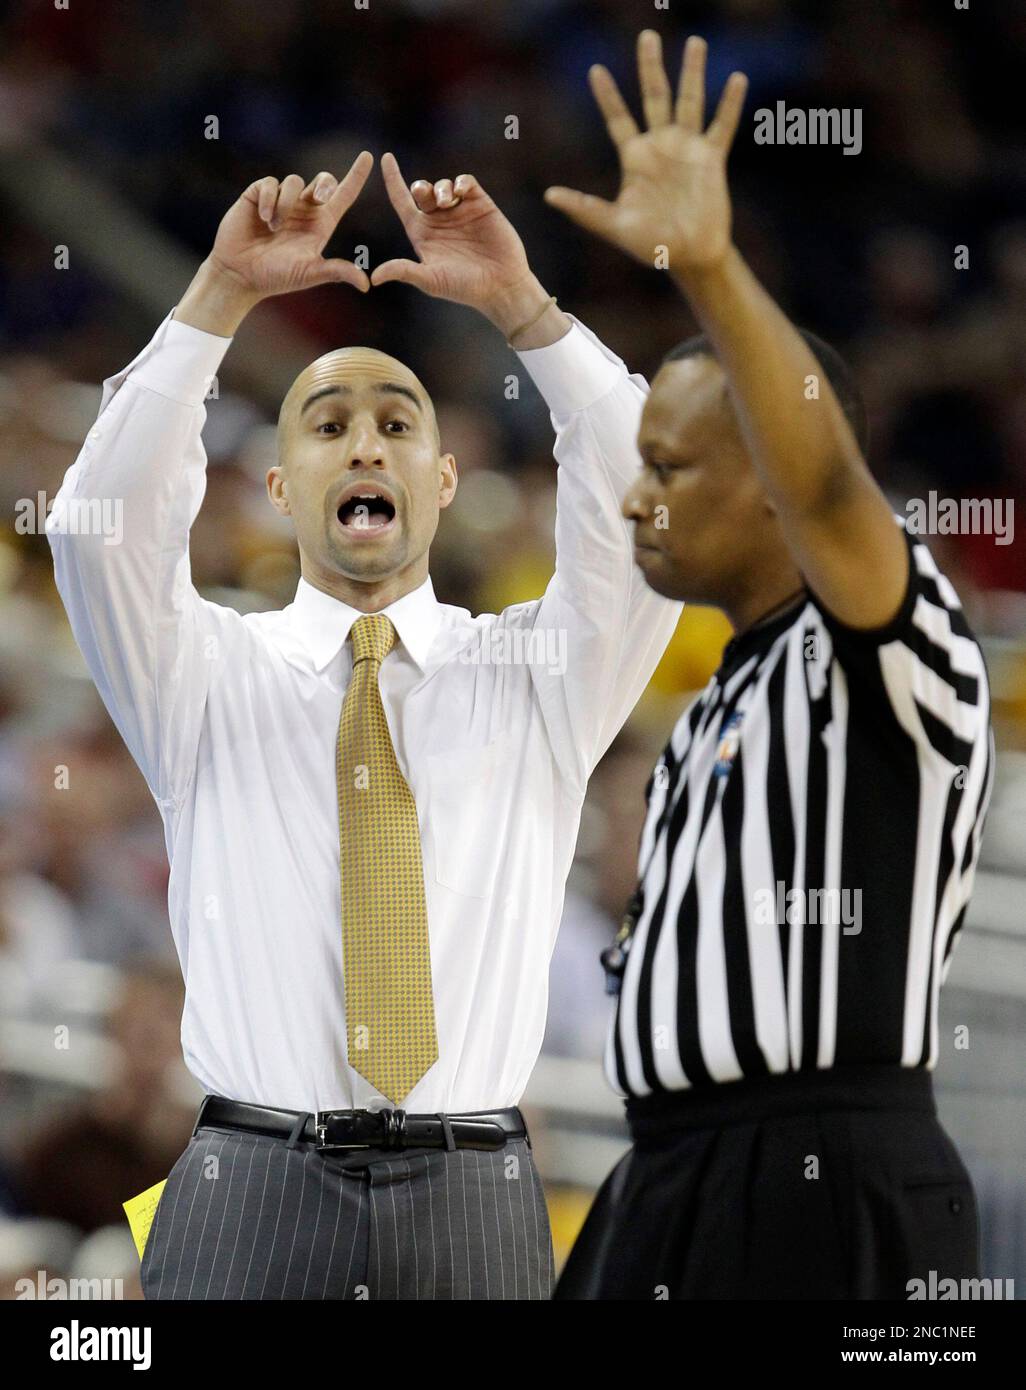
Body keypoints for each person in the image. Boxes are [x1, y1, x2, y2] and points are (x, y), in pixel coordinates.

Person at [45, 150, 682, 1300]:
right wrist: (218, 300)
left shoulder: (539, 675)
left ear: (442, 481)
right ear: (282, 487)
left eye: (398, 420)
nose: (366, 442)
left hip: (474, 1188)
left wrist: (523, 311)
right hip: (247, 1177)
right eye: (325, 423)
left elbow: (649, 498)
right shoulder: (201, 672)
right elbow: (97, 523)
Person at [547, 32, 994, 1300]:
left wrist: (710, 265)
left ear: (774, 487)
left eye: (673, 468)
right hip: (670, 1174)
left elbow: (833, 485)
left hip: (829, 1176)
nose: (638, 499)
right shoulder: (719, 698)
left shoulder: (898, 650)